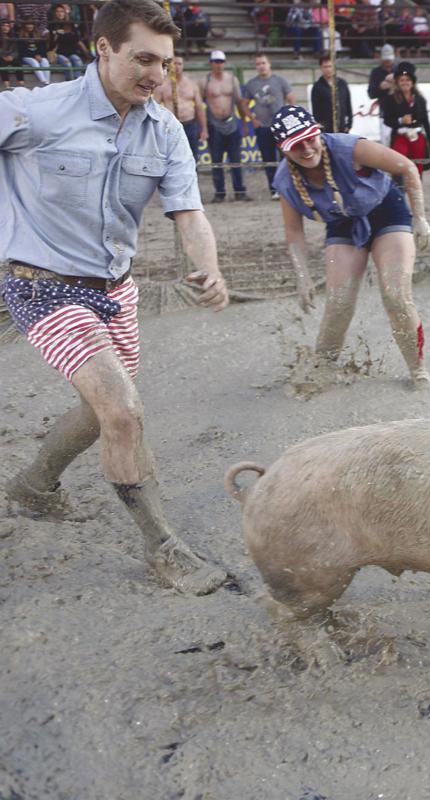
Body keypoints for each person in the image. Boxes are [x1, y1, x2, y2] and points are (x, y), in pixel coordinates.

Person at [1, 0, 230, 595]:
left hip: (116, 290)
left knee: (104, 409)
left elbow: (190, 213)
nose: (157, 75)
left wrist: (208, 267)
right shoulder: (34, 110)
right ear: (102, 49)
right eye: (144, 59)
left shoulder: (166, 129)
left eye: (167, 63)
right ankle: (164, 547)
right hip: (41, 286)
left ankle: (33, 486)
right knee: (124, 411)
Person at [270, 104, 430, 387]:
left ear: (318, 132)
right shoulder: (285, 181)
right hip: (342, 222)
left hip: (386, 211)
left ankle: (417, 368)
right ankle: (323, 368)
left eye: (309, 139)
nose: (307, 150)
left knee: (396, 296)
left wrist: (419, 217)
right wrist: (302, 276)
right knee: (338, 303)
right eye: (296, 145)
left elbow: (406, 167)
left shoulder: (348, 147)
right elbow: (294, 232)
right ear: (284, 149)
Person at [242, 53, 295, 200]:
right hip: (263, 127)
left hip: (280, 127)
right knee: (268, 159)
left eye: (263, 63)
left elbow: (291, 99)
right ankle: (274, 189)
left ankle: (290, 187)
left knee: (287, 157)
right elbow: (244, 104)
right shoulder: (252, 84)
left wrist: (287, 118)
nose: (261, 66)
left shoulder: (280, 81)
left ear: (269, 64)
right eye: (258, 64)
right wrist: (252, 119)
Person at [202, 49, 250, 202]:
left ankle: (239, 191)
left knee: (235, 159)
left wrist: (244, 124)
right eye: (216, 61)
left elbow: (239, 102)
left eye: (221, 61)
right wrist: (203, 127)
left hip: (231, 122)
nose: (218, 65)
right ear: (211, 63)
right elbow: (197, 104)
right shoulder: (205, 81)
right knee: (217, 161)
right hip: (214, 124)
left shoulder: (232, 79)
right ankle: (220, 192)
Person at [379, 61, 430, 175]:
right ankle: (399, 189)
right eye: (402, 80)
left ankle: (416, 190)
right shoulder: (391, 99)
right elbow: (387, 120)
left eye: (408, 80)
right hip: (400, 136)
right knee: (398, 163)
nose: (405, 83)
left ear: (412, 82)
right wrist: (400, 120)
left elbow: (425, 121)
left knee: (418, 166)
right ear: (397, 83)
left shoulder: (420, 100)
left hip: (417, 136)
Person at [153, 55, 206, 160]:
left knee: (193, 157)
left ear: (183, 66)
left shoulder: (192, 84)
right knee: (173, 157)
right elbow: (155, 108)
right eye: (174, 64)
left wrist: (204, 129)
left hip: (190, 124)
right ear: (169, 66)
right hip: (171, 126)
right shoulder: (162, 85)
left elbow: (199, 108)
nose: (176, 66)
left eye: (179, 64)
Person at [311, 51, 352, 134]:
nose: (328, 69)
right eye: (325, 67)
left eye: (330, 66)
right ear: (321, 68)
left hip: (342, 127)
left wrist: (349, 124)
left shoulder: (342, 83)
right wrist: (319, 125)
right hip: (326, 129)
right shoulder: (317, 86)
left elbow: (348, 104)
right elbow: (315, 108)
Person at [47, 3, 87, 80]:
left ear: (65, 13)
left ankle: (77, 82)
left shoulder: (71, 24)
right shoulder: (52, 25)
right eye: (57, 11)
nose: (60, 13)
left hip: (71, 52)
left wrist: (86, 53)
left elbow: (76, 39)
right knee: (67, 63)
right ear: (54, 13)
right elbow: (52, 42)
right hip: (58, 53)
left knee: (78, 62)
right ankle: (69, 82)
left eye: (62, 11)